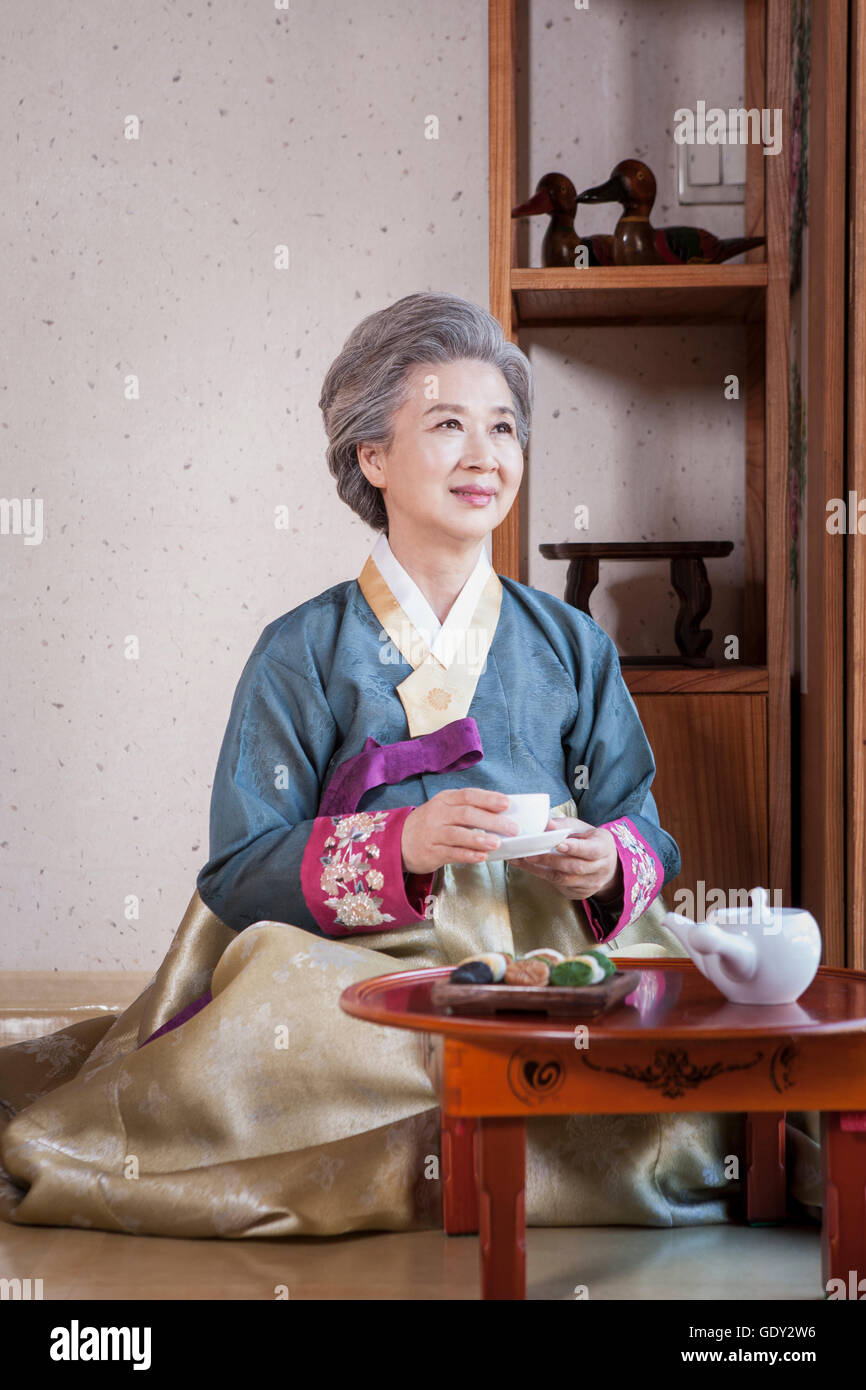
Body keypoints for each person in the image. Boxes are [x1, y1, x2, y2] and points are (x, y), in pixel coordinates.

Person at [0, 292, 820, 1239]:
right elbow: (238, 869)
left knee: (704, 1016)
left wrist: (606, 862)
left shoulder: (570, 642)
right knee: (280, 1026)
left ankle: (483, 1135)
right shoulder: (298, 650)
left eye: (504, 427)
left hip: (560, 958)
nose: (486, 455)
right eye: (447, 425)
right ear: (372, 457)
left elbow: (642, 826)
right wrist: (405, 845)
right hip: (368, 967)